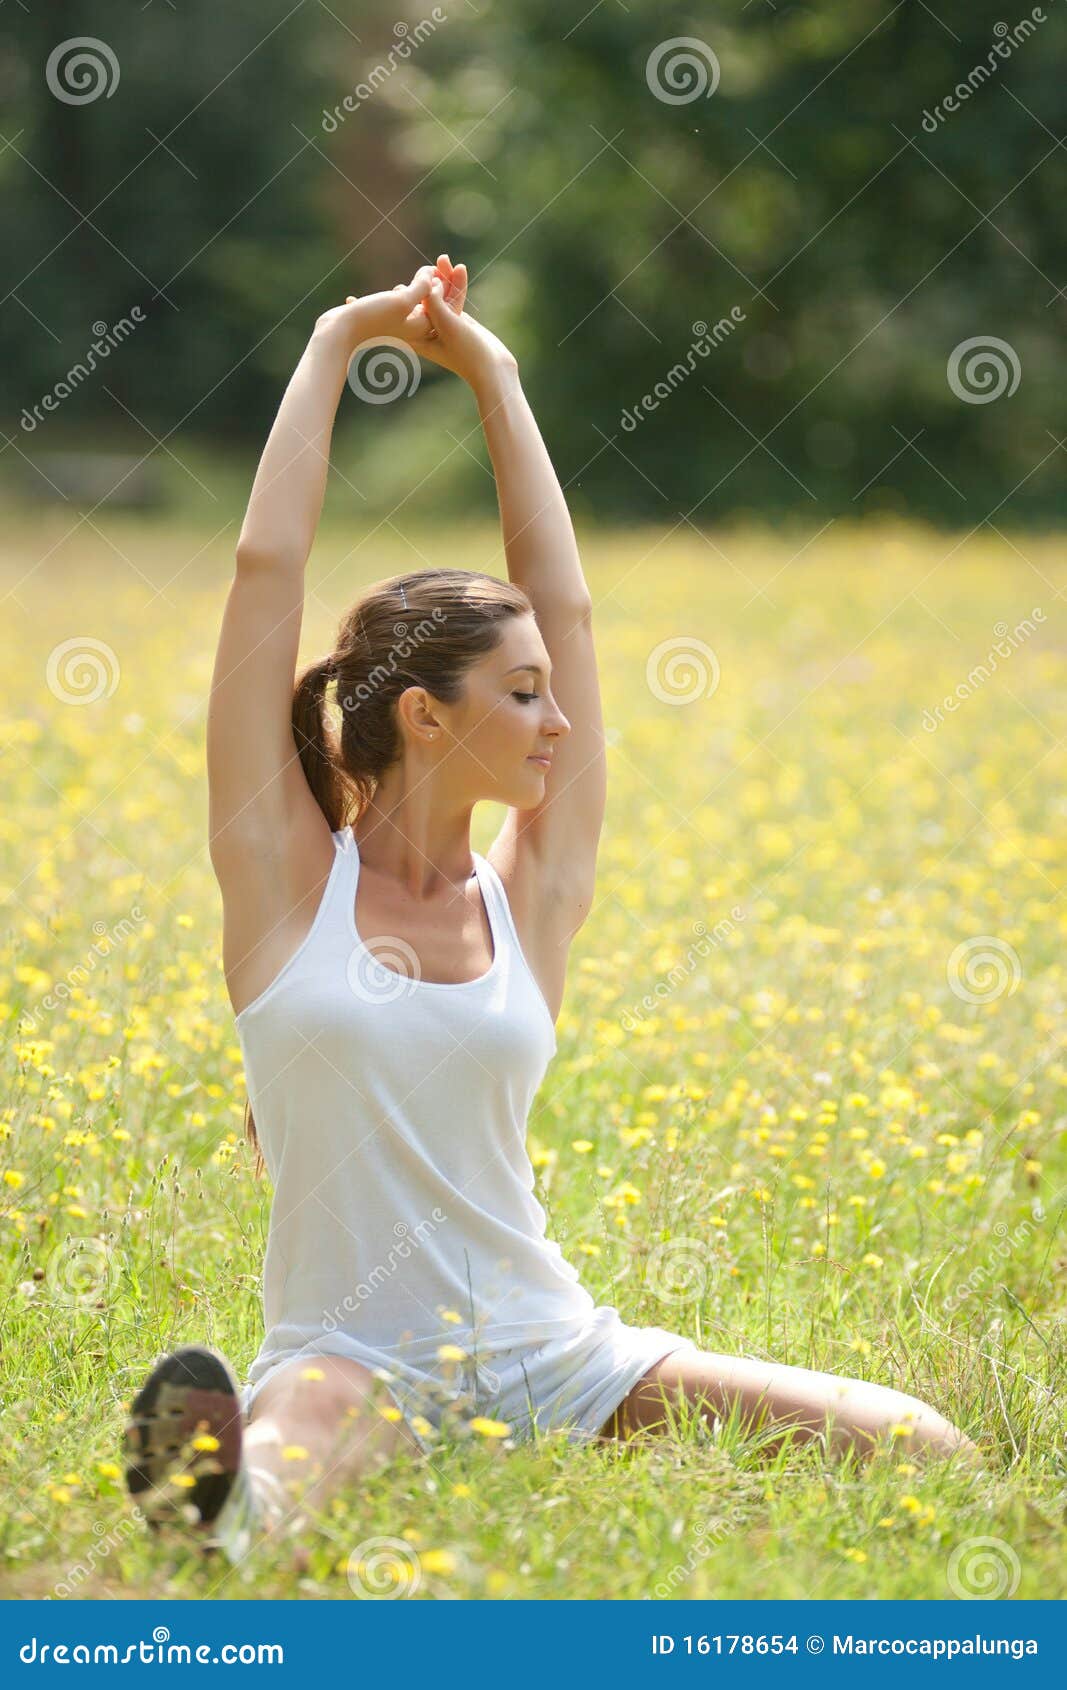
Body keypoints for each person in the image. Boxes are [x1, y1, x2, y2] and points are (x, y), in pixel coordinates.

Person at [123, 256, 982, 1568]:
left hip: (557, 1353)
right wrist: (335, 340)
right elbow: (264, 569)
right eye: (521, 695)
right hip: (352, 1360)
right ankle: (216, 1501)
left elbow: (564, 603)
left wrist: (496, 372)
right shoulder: (289, 886)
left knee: (919, 1444)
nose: (560, 719)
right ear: (425, 715)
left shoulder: (533, 894)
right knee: (282, 1482)